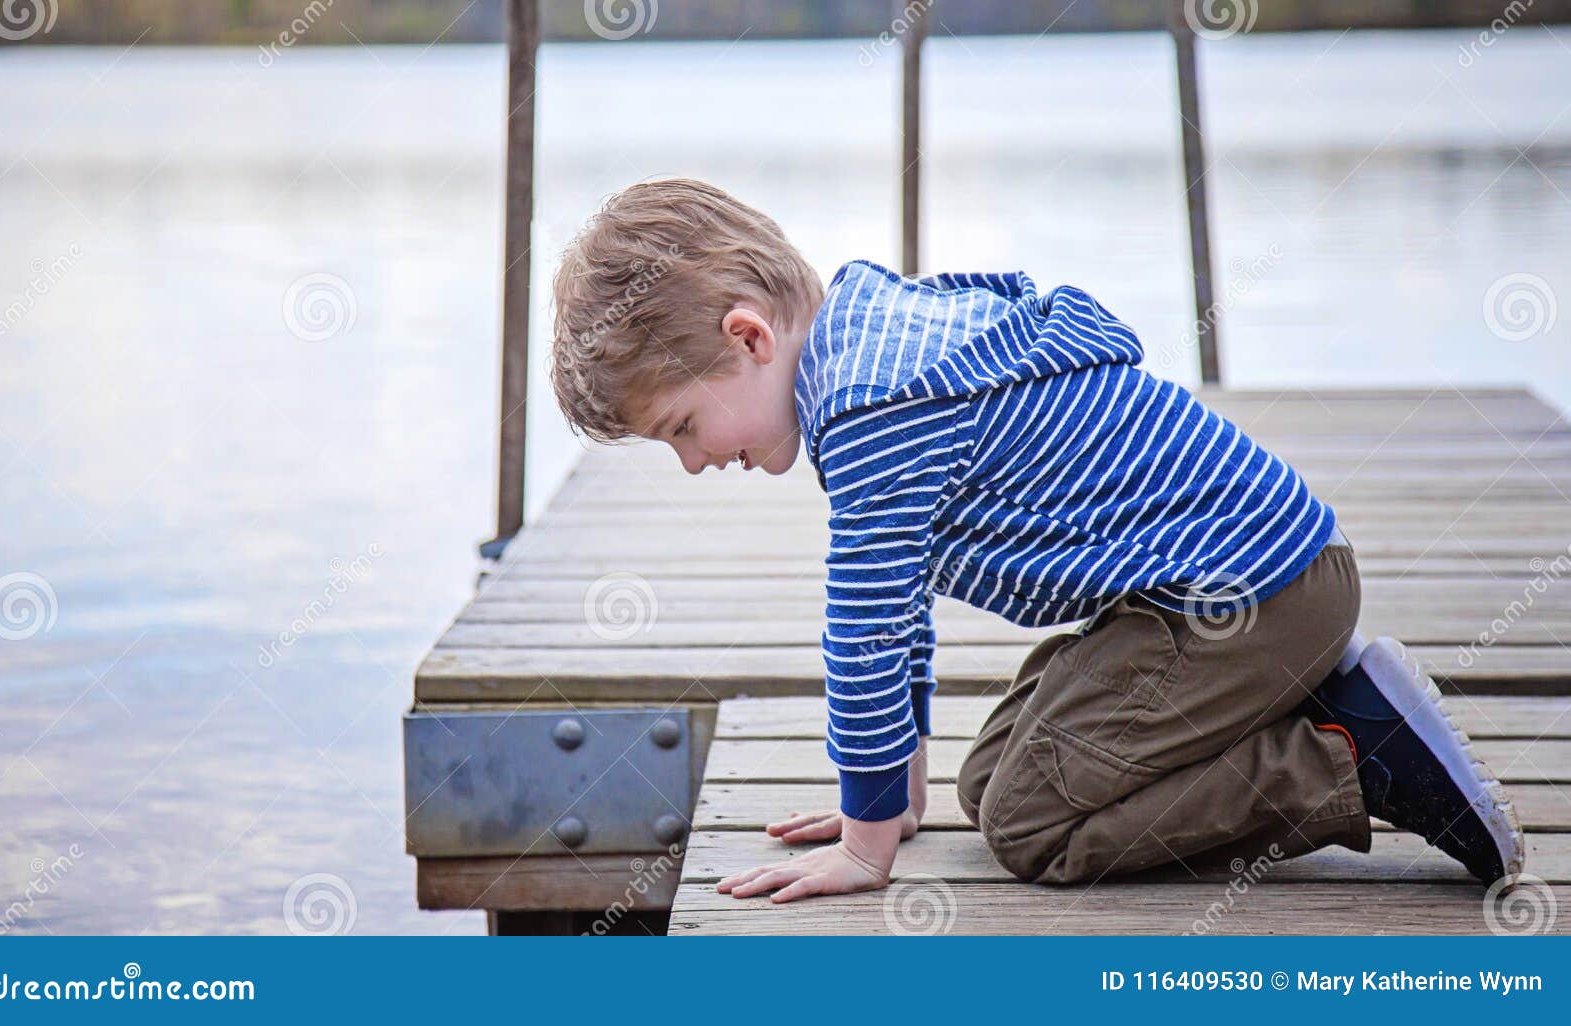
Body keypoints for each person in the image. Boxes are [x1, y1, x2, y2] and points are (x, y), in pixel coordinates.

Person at [547, 177, 1524, 903]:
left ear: (751, 336)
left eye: (680, 427)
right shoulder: (872, 335)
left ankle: (1352, 757)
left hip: (1261, 593)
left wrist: (865, 841)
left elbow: (865, 633)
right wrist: (895, 792)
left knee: (1028, 824)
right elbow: (900, 601)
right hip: (1240, 583)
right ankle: (1310, 697)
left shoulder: (867, 410)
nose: (690, 461)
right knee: (990, 779)